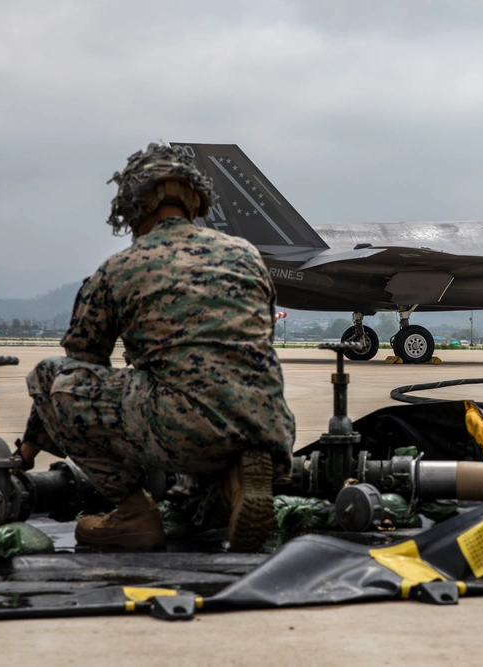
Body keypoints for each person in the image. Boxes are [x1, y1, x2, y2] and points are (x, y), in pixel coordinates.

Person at [15, 143, 295, 552]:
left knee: (48, 376)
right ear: (197, 201)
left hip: (182, 427)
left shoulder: (119, 268)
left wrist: (26, 450)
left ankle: (133, 513)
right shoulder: (246, 255)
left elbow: (76, 370)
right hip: (269, 427)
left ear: (132, 207)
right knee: (192, 507)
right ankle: (234, 482)